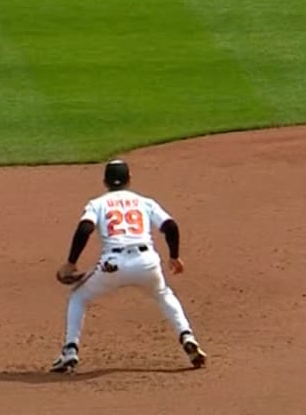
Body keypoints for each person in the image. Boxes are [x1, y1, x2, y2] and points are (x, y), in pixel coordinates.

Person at [49, 160, 208, 375]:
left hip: (112, 266)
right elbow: (171, 226)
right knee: (163, 294)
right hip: (147, 263)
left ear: (105, 181)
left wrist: (71, 262)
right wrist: (174, 256)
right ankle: (187, 336)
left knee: (78, 296)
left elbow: (84, 229)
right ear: (129, 179)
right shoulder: (144, 202)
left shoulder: (98, 203)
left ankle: (70, 351)